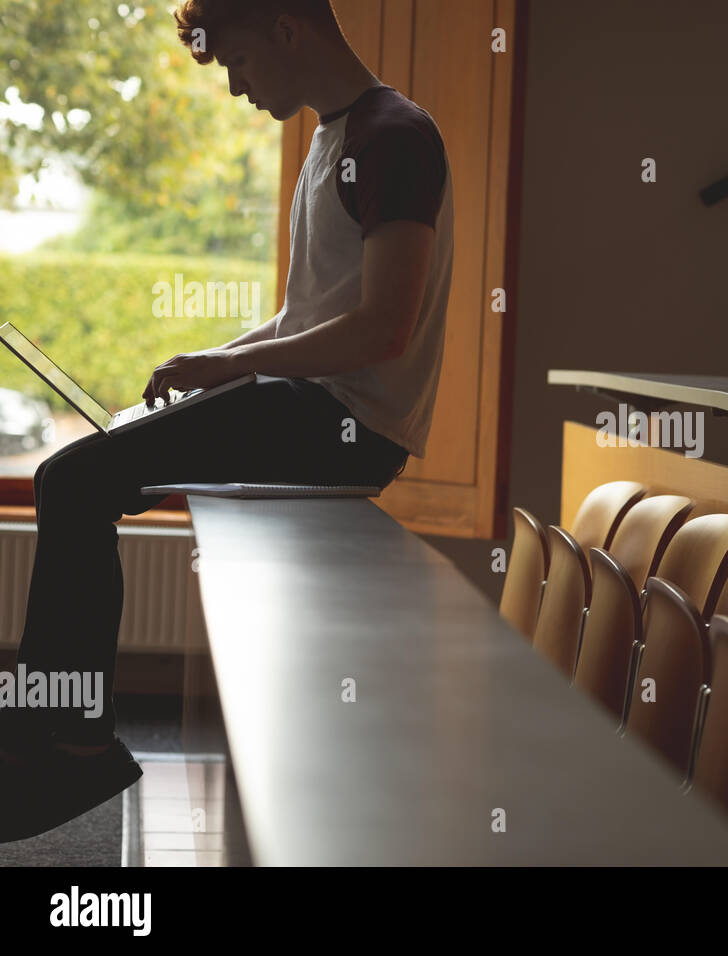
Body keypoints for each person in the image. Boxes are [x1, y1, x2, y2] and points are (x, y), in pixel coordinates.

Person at [0, 0, 452, 841]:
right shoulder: (336, 137)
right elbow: (304, 317)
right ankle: (57, 726)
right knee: (85, 472)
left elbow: (383, 328)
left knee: (72, 479)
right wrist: (215, 361)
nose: (238, 86)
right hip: (311, 407)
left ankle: (68, 739)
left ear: (286, 27)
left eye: (238, 63)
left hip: (344, 424)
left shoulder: (395, 134)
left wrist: (234, 370)